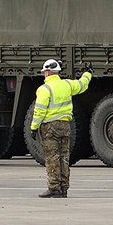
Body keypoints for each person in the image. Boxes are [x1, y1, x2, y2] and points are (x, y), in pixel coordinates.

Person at [29, 59, 92, 198]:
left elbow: (39, 111)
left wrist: (34, 127)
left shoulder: (44, 89)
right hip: (65, 126)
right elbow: (82, 84)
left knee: (52, 158)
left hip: (50, 128)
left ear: (47, 72)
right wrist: (88, 73)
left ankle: (54, 188)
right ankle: (64, 188)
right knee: (64, 157)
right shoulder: (67, 85)